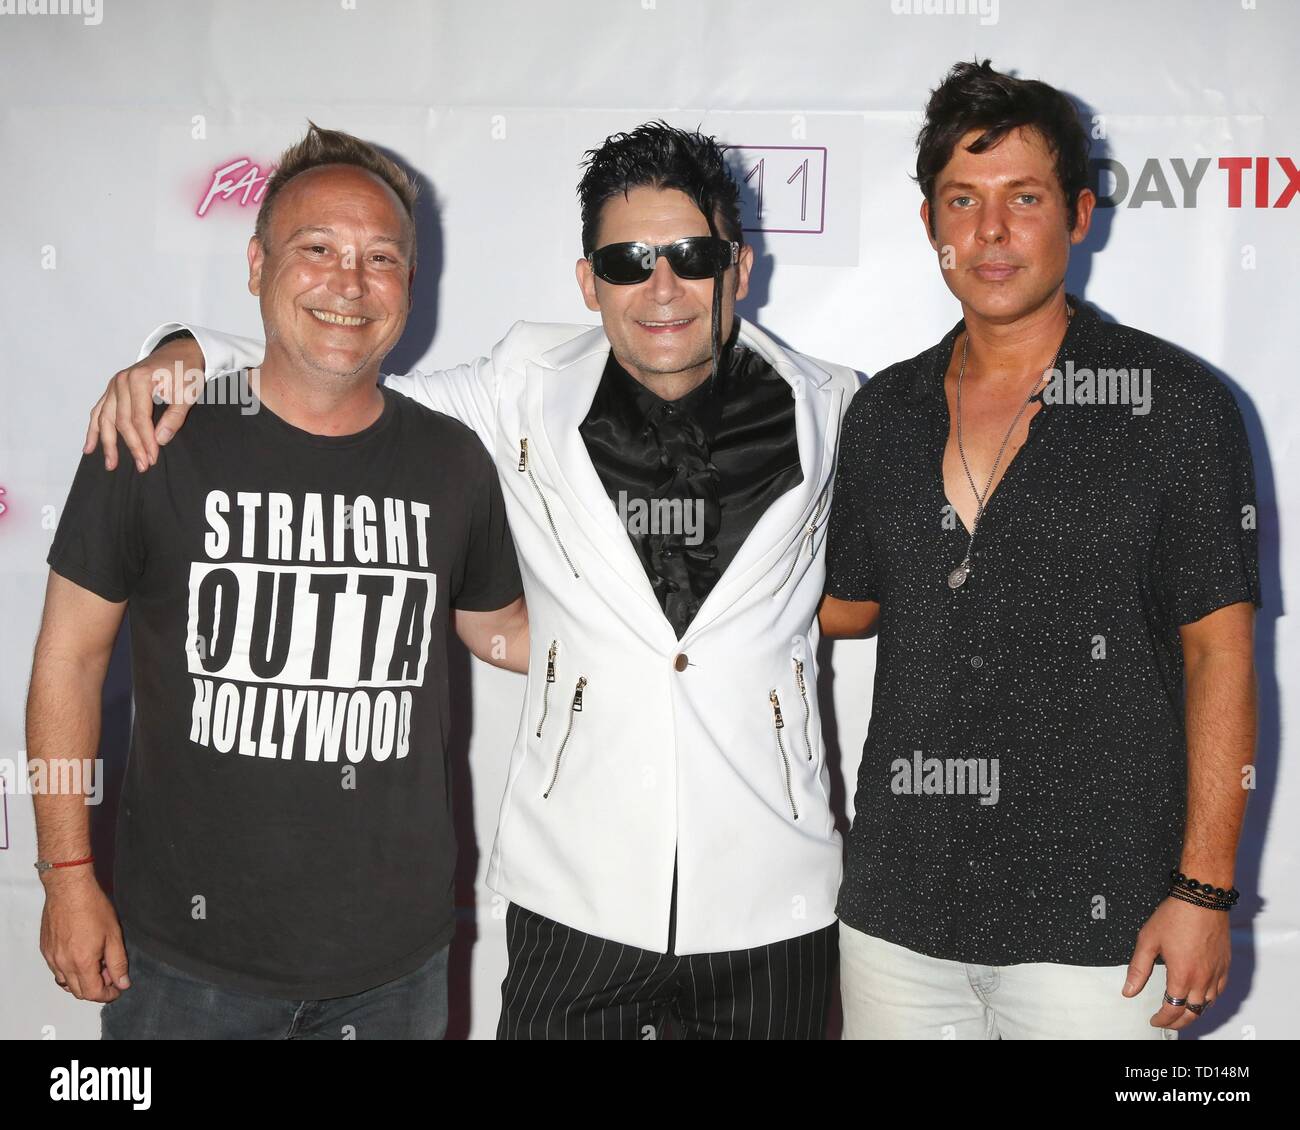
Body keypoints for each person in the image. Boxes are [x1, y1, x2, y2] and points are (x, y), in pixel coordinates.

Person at [86, 121, 859, 1040]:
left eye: (691, 255)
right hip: (575, 899)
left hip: (776, 903)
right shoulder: (518, 387)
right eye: (627, 260)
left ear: (737, 265)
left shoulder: (840, 408)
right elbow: (340, 382)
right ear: (588, 280)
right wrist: (190, 350)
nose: (661, 288)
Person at [29, 123, 528, 1040]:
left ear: (410, 287)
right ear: (256, 265)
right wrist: (65, 877)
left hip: (397, 971)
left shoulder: (454, 463)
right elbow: (66, 659)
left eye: (381, 258)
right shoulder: (154, 437)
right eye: (318, 249)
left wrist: (673, 642)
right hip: (183, 966)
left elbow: (502, 630)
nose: (349, 281)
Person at [820, 61, 1260, 1039]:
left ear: (1079, 212)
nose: (988, 232)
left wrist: (1205, 888)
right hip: (897, 916)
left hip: (1103, 926)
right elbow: (842, 605)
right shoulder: (883, 411)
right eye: (960, 201)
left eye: (1022, 199)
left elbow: (1218, 652)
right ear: (930, 221)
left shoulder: (1174, 406)